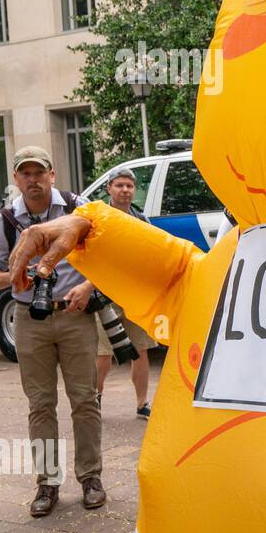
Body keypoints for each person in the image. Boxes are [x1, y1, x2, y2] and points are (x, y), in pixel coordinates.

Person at [0, 147, 103, 517]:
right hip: (29, 318)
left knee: (84, 399)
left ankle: (90, 478)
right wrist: (15, 275)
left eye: (39, 172)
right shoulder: (2, 220)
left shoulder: (79, 207)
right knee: (40, 404)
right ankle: (47, 483)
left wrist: (88, 286)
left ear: (53, 175)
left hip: (74, 314)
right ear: (16, 179)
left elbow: (108, 253)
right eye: (25, 174)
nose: (33, 180)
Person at [93, 167, 157, 418]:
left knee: (140, 350)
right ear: (109, 188)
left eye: (129, 186)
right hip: (103, 296)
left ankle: (142, 404)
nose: (125, 190)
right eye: (119, 185)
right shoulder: (98, 216)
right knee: (103, 353)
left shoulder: (141, 219)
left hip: (134, 296)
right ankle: (95, 399)